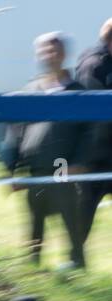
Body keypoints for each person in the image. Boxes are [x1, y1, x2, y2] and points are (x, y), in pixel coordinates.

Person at [3, 33, 87, 270]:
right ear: (38, 55)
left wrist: (80, 162)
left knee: (71, 223)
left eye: (55, 50)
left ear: (63, 54)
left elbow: (90, 131)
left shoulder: (76, 91)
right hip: (34, 169)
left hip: (63, 166)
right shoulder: (30, 90)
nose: (50, 55)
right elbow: (15, 131)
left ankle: (77, 265)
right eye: (45, 51)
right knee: (34, 227)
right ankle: (33, 270)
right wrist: (11, 170)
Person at [74, 18, 112, 243]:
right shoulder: (93, 64)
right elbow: (93, 116)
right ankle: (74, 262)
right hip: (95, 155)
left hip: (106, 152)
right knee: (84, 213)